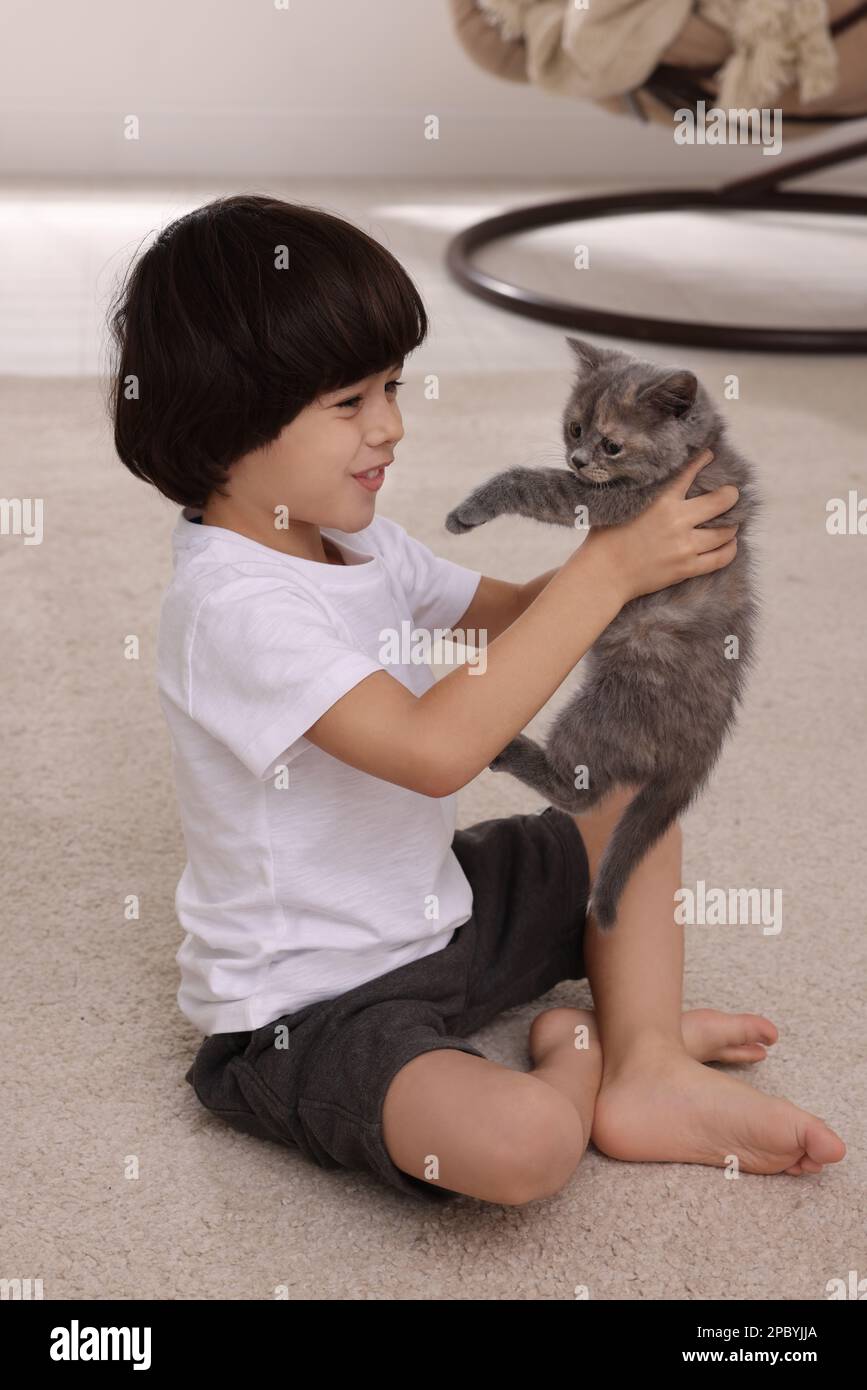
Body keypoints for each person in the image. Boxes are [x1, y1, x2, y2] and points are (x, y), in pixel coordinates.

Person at [108, 193, 846, 1205]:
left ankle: (647, 1065)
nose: (393, 426)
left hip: (442, 910)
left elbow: (507, 618)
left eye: (392, 387)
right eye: (350, 403)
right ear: (226, 415)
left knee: (629, 789)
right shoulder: (230, 607)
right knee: (523, 1148)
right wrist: (605, 576)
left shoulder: (355, 537)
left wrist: (633, 560)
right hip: (315, 1005)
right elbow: (433, 748)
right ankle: (577, 1048)